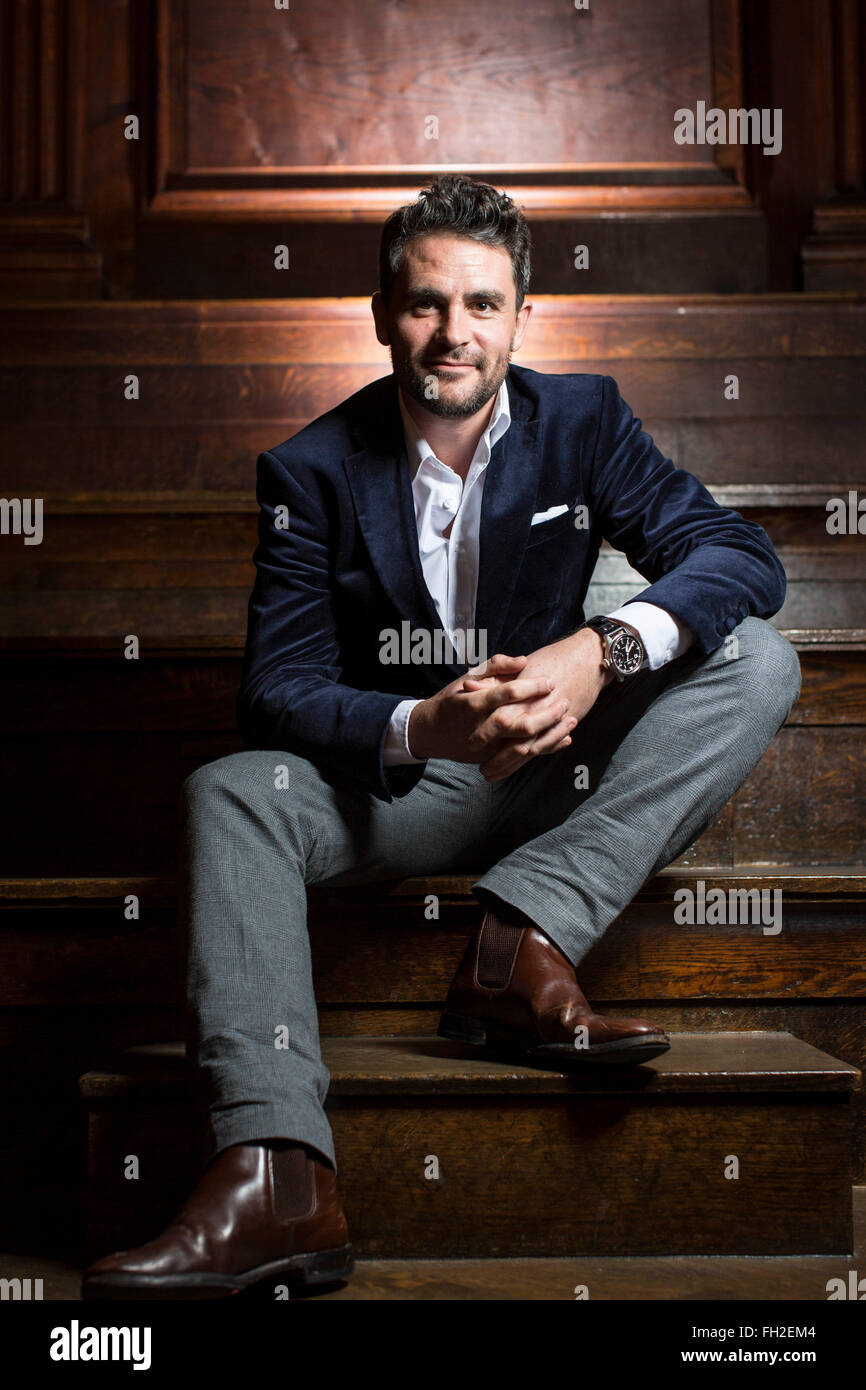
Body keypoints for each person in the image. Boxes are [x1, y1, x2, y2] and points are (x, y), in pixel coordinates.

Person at [82, 175, 801, 1299]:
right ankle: (278, 1178)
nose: (452, 333)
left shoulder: (585, 422)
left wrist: (596, 650)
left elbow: (742, 557)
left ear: (522, 316)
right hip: (409, 783)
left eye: (481, 303)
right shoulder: (310, 471)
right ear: (380, 315)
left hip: (563, 763)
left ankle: (521, 935)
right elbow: (274, 692)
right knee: (231, 787)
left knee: (759, 654)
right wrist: (422, 724)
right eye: (425, 304)